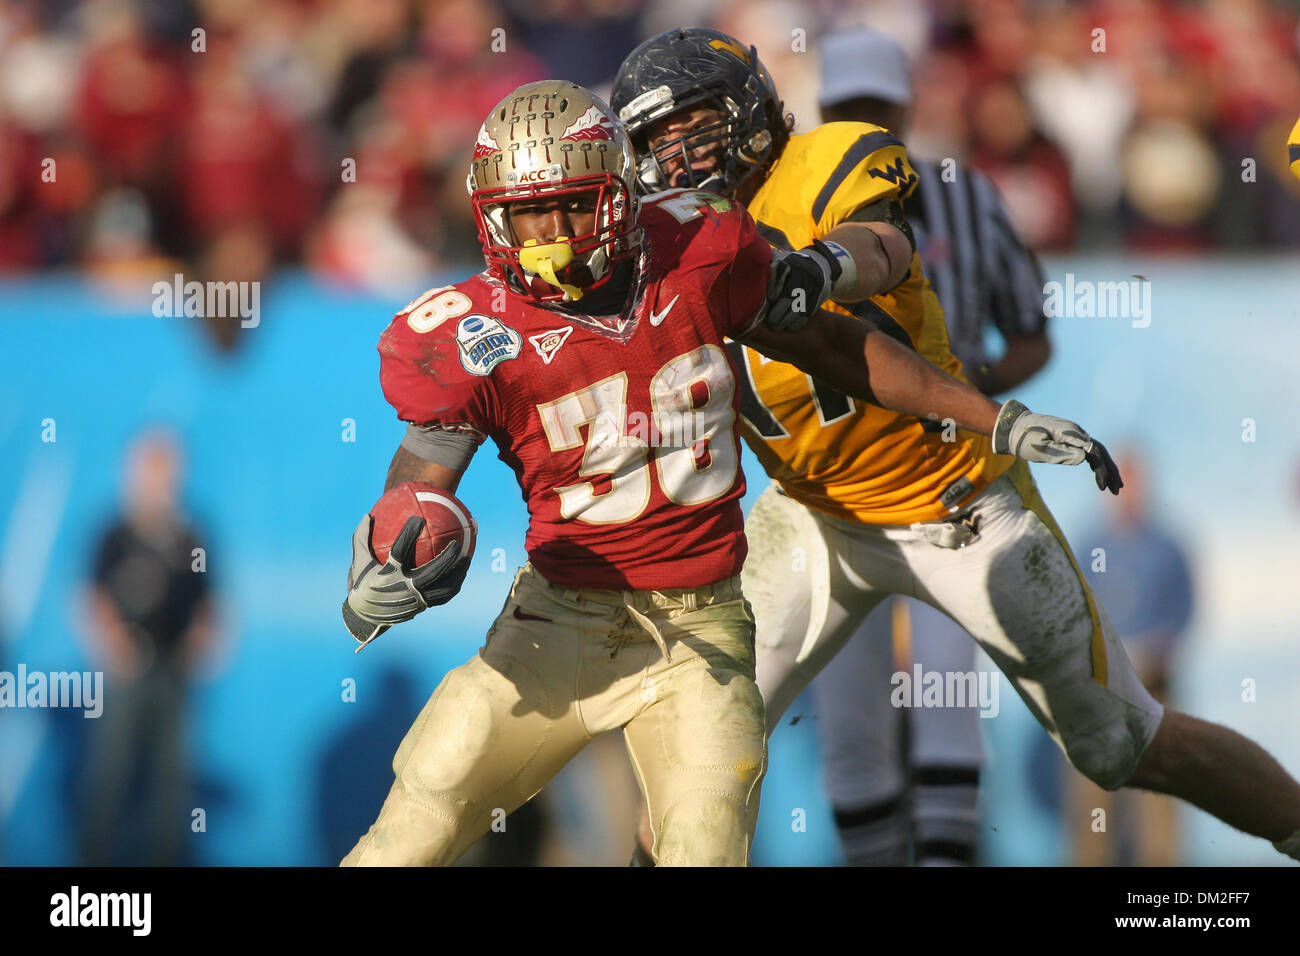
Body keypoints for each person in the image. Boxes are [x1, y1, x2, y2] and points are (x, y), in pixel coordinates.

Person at [336, 80, 1115, 867]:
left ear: (618, 192)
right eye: (528, 213)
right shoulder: (473, 329)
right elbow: (424, 472)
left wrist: (995, 416)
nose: (553, 234)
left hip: (697, 631)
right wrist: (382, 549)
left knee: (702, 849)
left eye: (573, 205)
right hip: (556, 620)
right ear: (491, 217)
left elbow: (837, 349)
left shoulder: (700, 249)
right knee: (413, 824)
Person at [611, 27, 1300, 866]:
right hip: (813, 516)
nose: (678, 160)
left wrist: (821, 268)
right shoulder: (657, 240)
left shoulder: (833, 159)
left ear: (748, 111)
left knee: (1121, 742)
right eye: (655, 141)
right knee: (691, 757)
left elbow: (883, 245)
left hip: (958, 510)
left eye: (695, 128)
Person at [807, 26, 1054, 866]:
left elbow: (1033, 336)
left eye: (877, 106)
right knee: (851, 709)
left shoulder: (964, 195)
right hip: (833, 481)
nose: (865, 121)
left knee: (949, 690)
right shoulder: (789, 200)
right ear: (824, 111)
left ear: (907, 105)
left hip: (949, 474)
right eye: (849, 109)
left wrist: (967, 379)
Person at [81, 428, 216, 865]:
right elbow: (92, 597)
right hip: (127, 673)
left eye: (169, 471)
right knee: (112, 773)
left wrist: (204, 640)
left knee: (172, 779)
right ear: (135, 474)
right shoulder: (114, 536)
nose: (162, 481)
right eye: (152, 470)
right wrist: (113, 644)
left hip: (175, 671)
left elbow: (209, 604)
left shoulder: (190, 538)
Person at [1069, 449, 1195, 864]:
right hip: (1096, 689)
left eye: (1135, 480)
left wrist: (1161, 648)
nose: (1128, 491)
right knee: (1092, 804)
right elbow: (1071, 607)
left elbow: (1185, 609)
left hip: (1155, 688)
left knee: (1159, 799)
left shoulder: (1168, 547)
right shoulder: (1088, 547)